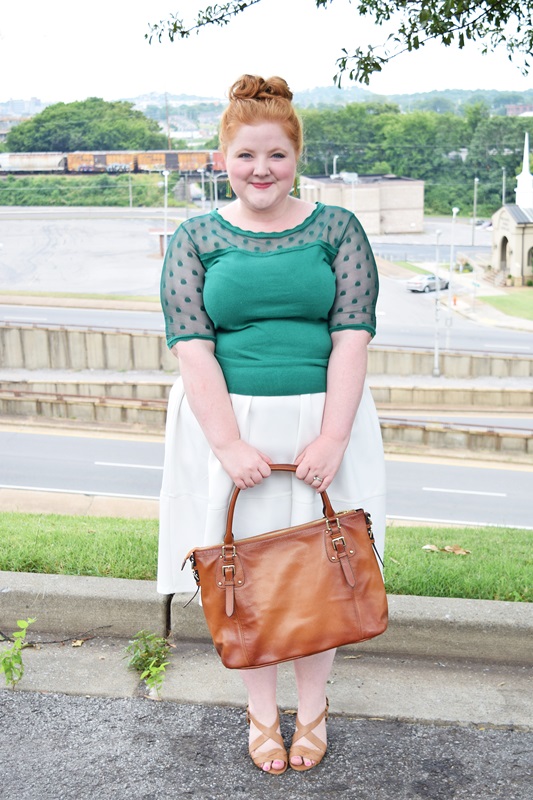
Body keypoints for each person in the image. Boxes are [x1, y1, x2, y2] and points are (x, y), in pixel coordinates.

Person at [158, 74, 386, 775]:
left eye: (277, 156)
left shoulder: (337, 228)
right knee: (243, 579)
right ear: (221, 157)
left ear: (296, 157)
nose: (262, 169)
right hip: (226, 427)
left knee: (323, 576)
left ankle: (312, 711)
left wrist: (331, 437)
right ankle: (261, 715)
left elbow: (351, 334)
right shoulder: (193, 237)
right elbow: (191, 344)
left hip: (326, 419)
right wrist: (226, 441)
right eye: (247, 155)